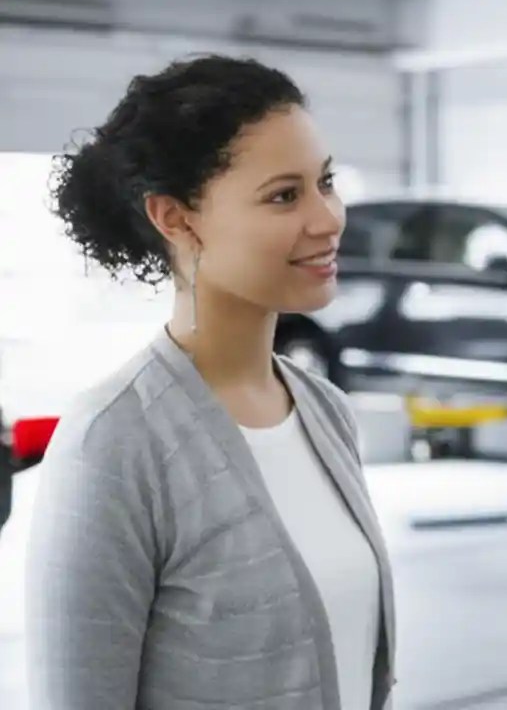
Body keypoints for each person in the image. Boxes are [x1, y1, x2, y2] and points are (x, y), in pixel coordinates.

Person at [25, 55, 396, 709]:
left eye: (326, 182)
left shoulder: (326, 412)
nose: (329, 217)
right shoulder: (113, 443)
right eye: (285, 195)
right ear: (175, 217)